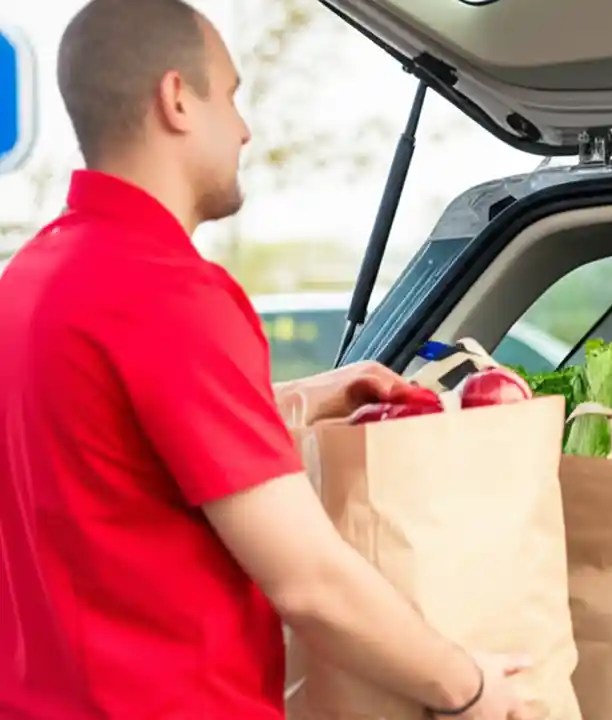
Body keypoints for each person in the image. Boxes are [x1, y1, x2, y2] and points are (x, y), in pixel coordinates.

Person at [0, 1, 536, 718]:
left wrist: (306, 396)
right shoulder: (168, 295)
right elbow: (312, 582)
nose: (245, 128)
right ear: (178, 99)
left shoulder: (32, 279)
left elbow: (118, 453)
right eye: (230, 95)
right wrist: (468, 687)